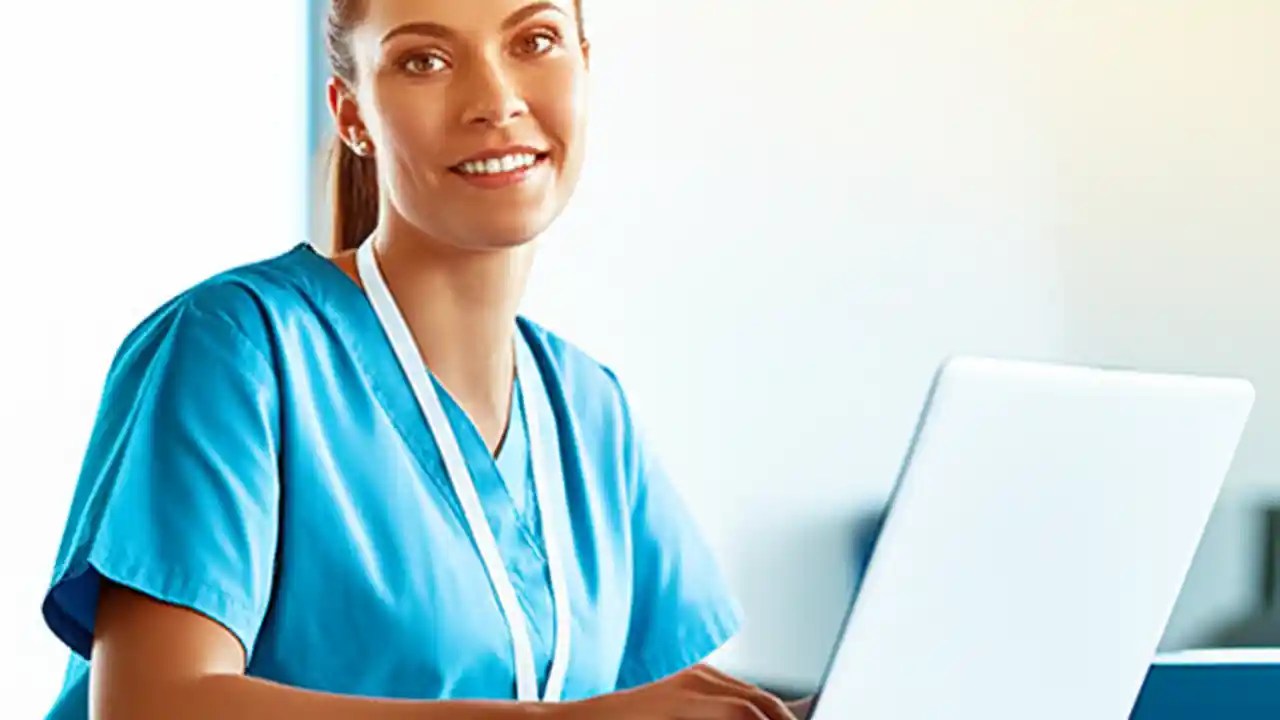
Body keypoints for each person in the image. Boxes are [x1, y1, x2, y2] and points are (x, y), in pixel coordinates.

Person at [40, 1, 812, 718]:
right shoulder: (236, 348)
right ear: (353, 117)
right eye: (424, 61)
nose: (496, 99)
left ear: (584, 64)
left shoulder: (590, 410)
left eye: (534, 41)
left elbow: (642, 698)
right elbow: (152, 704)